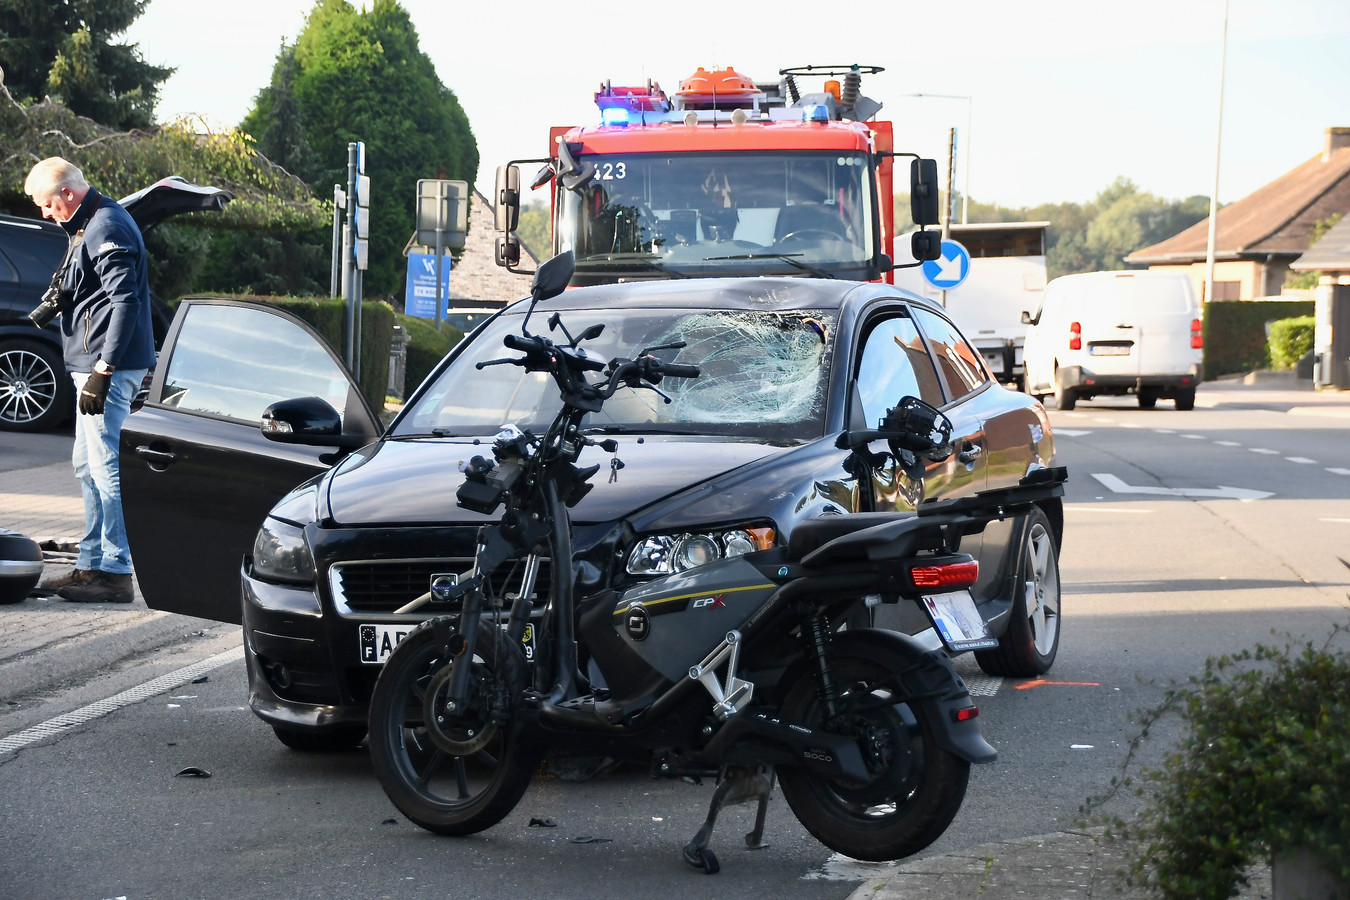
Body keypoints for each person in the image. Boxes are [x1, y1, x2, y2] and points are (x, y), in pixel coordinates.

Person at [25, 157, 155, 604]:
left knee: (105, 467)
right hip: (95, 363)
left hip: (106, 369)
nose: (45, 214)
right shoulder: (86, 223)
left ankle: (115, 571)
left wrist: (104, 369)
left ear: (67, 194)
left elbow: (126, 301)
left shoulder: (105, 227)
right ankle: (91, 564)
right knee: (87, 465)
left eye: (47, 205)